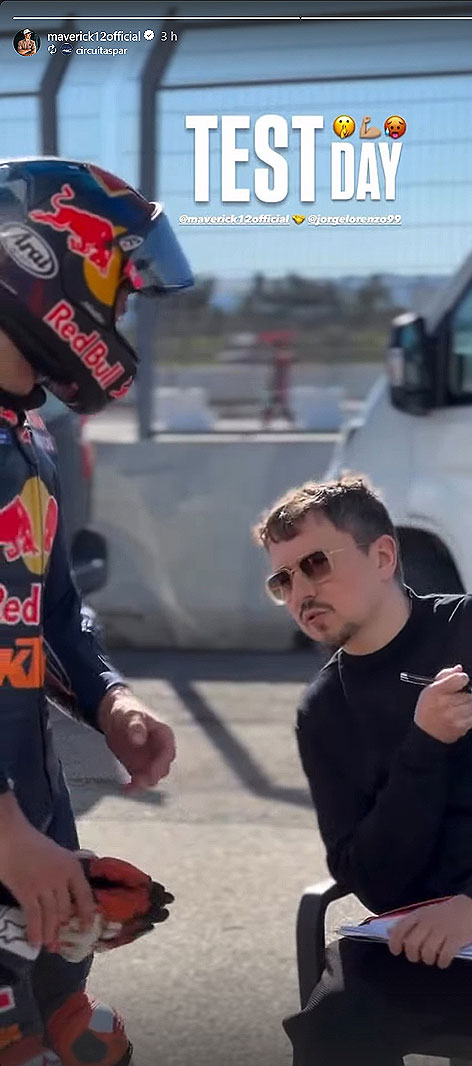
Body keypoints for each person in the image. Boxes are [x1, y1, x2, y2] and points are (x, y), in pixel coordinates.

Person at [252, 474, 472, 1066]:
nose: (300, 591)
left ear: (383, 555)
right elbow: (371, 878)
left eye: (316, 564)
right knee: (333, 1030)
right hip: (434, 934)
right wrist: (424, 748)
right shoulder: (324, 711)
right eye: (282, 579)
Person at [0, 157, 193, 1066]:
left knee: (77, 1041)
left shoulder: (27, 435)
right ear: (39, 259)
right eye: (121, 278)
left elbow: (54, 598)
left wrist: (110, 696)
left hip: (26, 845)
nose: (122, 313)